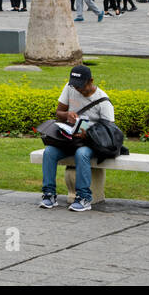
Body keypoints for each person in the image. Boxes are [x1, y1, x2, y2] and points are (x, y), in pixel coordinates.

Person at [39, 65, 114, 212]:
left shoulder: (103, 101)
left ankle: (84, 198)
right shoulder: (70, 87)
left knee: (82, 154)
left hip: (90, 142)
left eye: (81, 86)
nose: (77, 89)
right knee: (49, 152)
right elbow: (59, 112)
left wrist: (88, 133)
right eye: (75, 85)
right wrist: (67, 115)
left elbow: (109, 131)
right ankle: (49, 194)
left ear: (91, 80)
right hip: (70, 138)